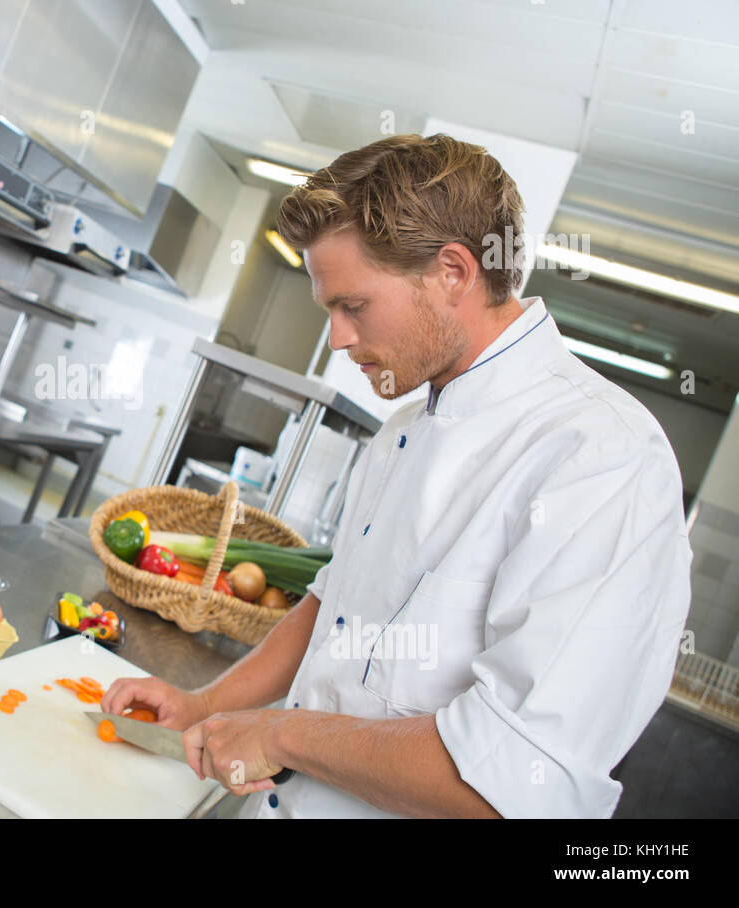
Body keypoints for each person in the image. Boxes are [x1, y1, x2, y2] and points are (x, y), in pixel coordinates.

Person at [103, 133, 693, 818]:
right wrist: (204, 705)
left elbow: (517, 782)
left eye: (353, 307)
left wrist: (284, 731)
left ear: (452, 272)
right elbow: (333, 606)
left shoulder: (603, 459)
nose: (339, 338)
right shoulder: (402, 431)